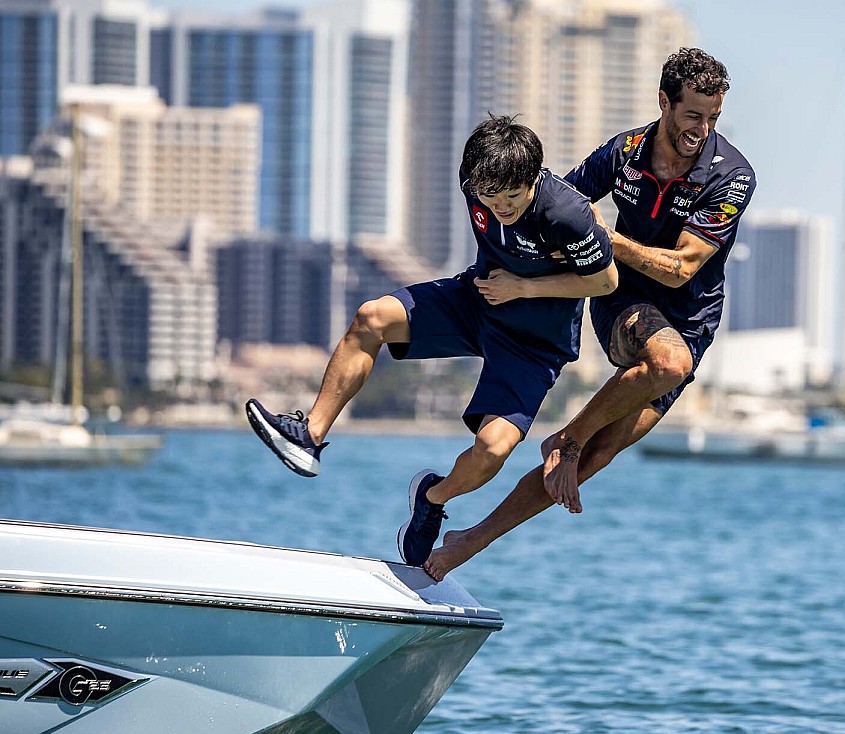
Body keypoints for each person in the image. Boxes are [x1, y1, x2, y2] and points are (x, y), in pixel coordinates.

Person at [423, 47, 756, 581]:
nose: (703, 128)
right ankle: (567, 437)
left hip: (691, 319)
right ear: (665, 102)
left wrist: (605, 237)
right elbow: (559, 206)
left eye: (713, 116)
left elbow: (680, 269)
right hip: (622, 299)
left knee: (598, 455)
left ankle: (467, 540)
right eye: (693, 114)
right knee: (665, 365)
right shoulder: (625, 151)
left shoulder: (731, 175)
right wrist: (514, 274)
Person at [246, 114, 617, 565]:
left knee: (493, 448)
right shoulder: (476, 180)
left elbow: (605, 282)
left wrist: (524, 287)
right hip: (477, 300)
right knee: (372, 318)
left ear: (533, 179)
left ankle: (432, 499)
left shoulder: (567, 214)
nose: (501, 207)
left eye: (513, 198)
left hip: (534, 343)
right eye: (490, 197)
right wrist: (501, 285)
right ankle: (309, 435)